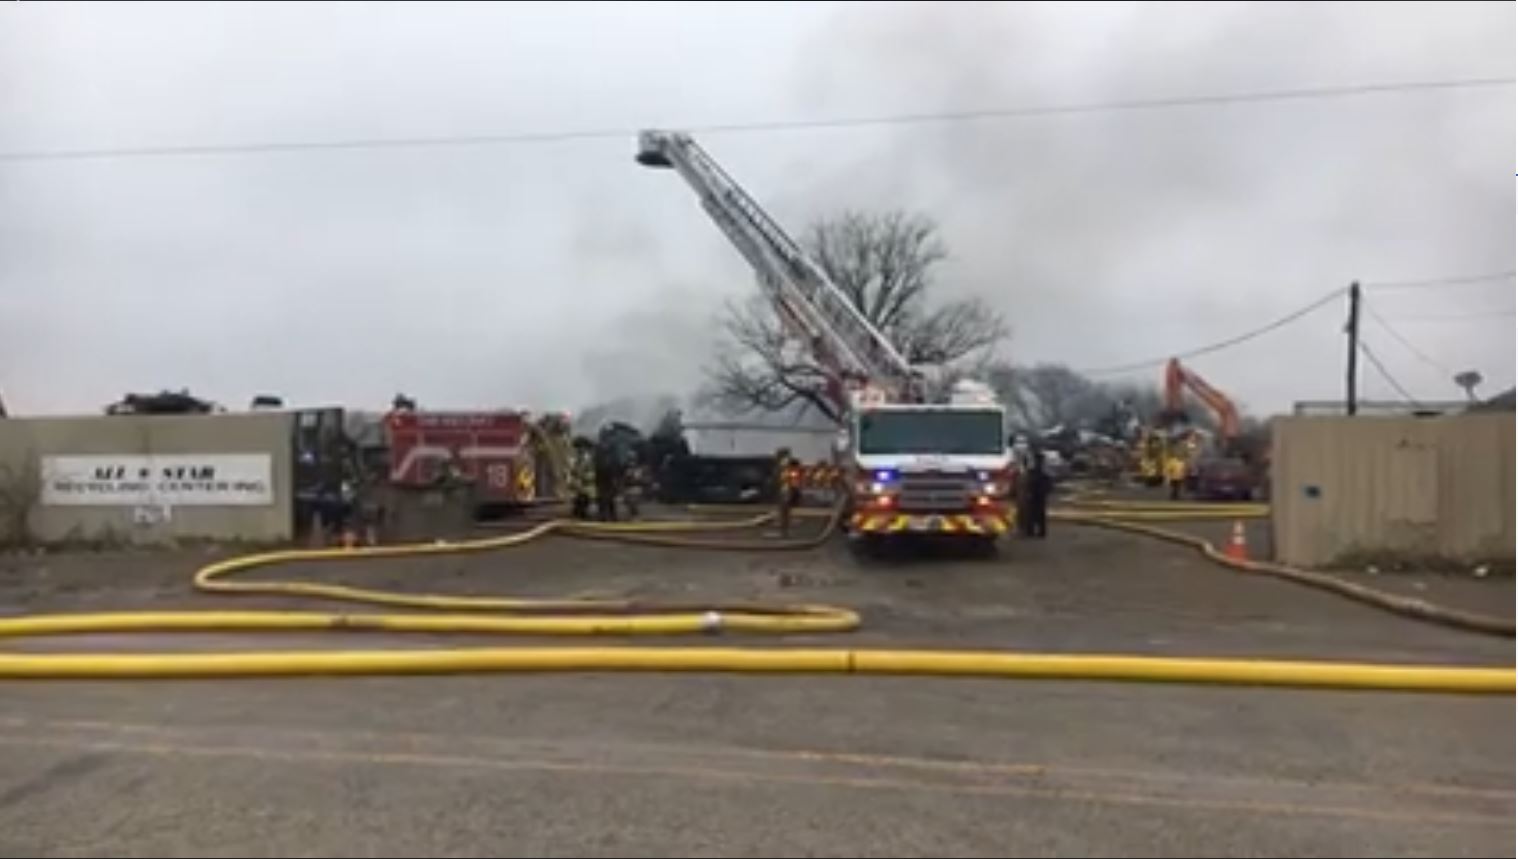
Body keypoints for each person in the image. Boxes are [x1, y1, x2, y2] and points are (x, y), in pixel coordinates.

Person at [774, 447, 803, 537]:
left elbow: (794, 479)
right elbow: (779, 480)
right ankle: (784, 528)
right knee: (783, 509)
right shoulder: (779, 468)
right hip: (784, 490)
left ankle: (785, 529)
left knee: (785, 509)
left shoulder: (789, 467)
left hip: (787, 490)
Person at [1025, 452, 1051, 538]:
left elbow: (1031, 482)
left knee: (1033, 513)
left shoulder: (1037, 471)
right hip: (1038, 494)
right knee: (1037, 514)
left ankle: (1034, 531)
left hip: (1037, 494)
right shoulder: (1041, 470)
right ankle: (1037, 531)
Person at [569, 437, 596, 520]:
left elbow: (590, 477)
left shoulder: (588, 459)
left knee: (585, 514)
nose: (578, 450)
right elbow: (574, 475)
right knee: (577, 513)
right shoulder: (577, 460)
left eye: (579, 448)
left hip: (587, 494)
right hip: (579, 493)